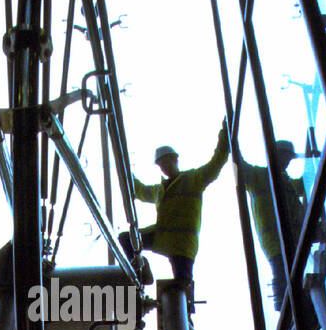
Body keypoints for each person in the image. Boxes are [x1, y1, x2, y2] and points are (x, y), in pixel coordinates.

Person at [119, 121, 230, 285]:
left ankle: (184, 303)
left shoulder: (193, 179)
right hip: (163, 237)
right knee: (126, 239)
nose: (163, 167)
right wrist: (125, 171)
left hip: (182, 244)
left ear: (175, 159)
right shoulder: (160, 190)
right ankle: (142, 271)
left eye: (166, 162)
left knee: (182, 286)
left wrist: (225, 136)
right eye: (160, 164)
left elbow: (217, 162)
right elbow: (140, 191)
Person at [239, 140, 307, 310]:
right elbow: (239, 166)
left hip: (291, 240)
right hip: (276, 240)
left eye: (289, 158)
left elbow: (306, 183)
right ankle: (286, 311)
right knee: (283, 274)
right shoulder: (259, 176)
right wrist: (229, 136)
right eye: (286, 156)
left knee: (291, 275)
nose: (288, 161)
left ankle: (292, 310)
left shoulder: (286, 181)